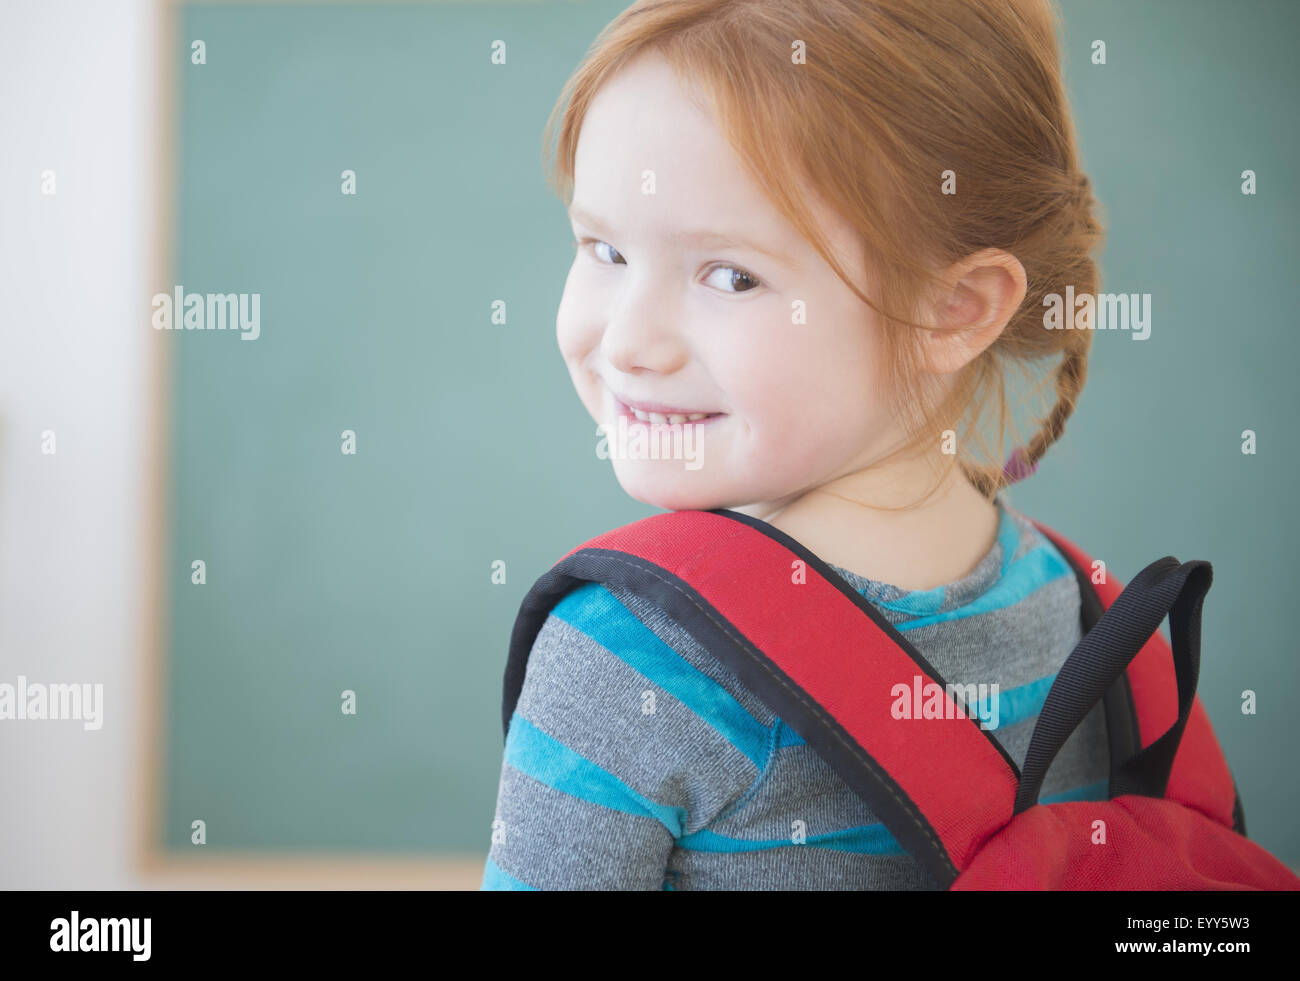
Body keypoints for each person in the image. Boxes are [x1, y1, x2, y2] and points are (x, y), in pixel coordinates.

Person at [483, 0, 1106, 889]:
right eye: (604, 249)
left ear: (954, 308)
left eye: (731, 275)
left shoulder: (631, 655)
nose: (628, 341)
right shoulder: (1077, 612)